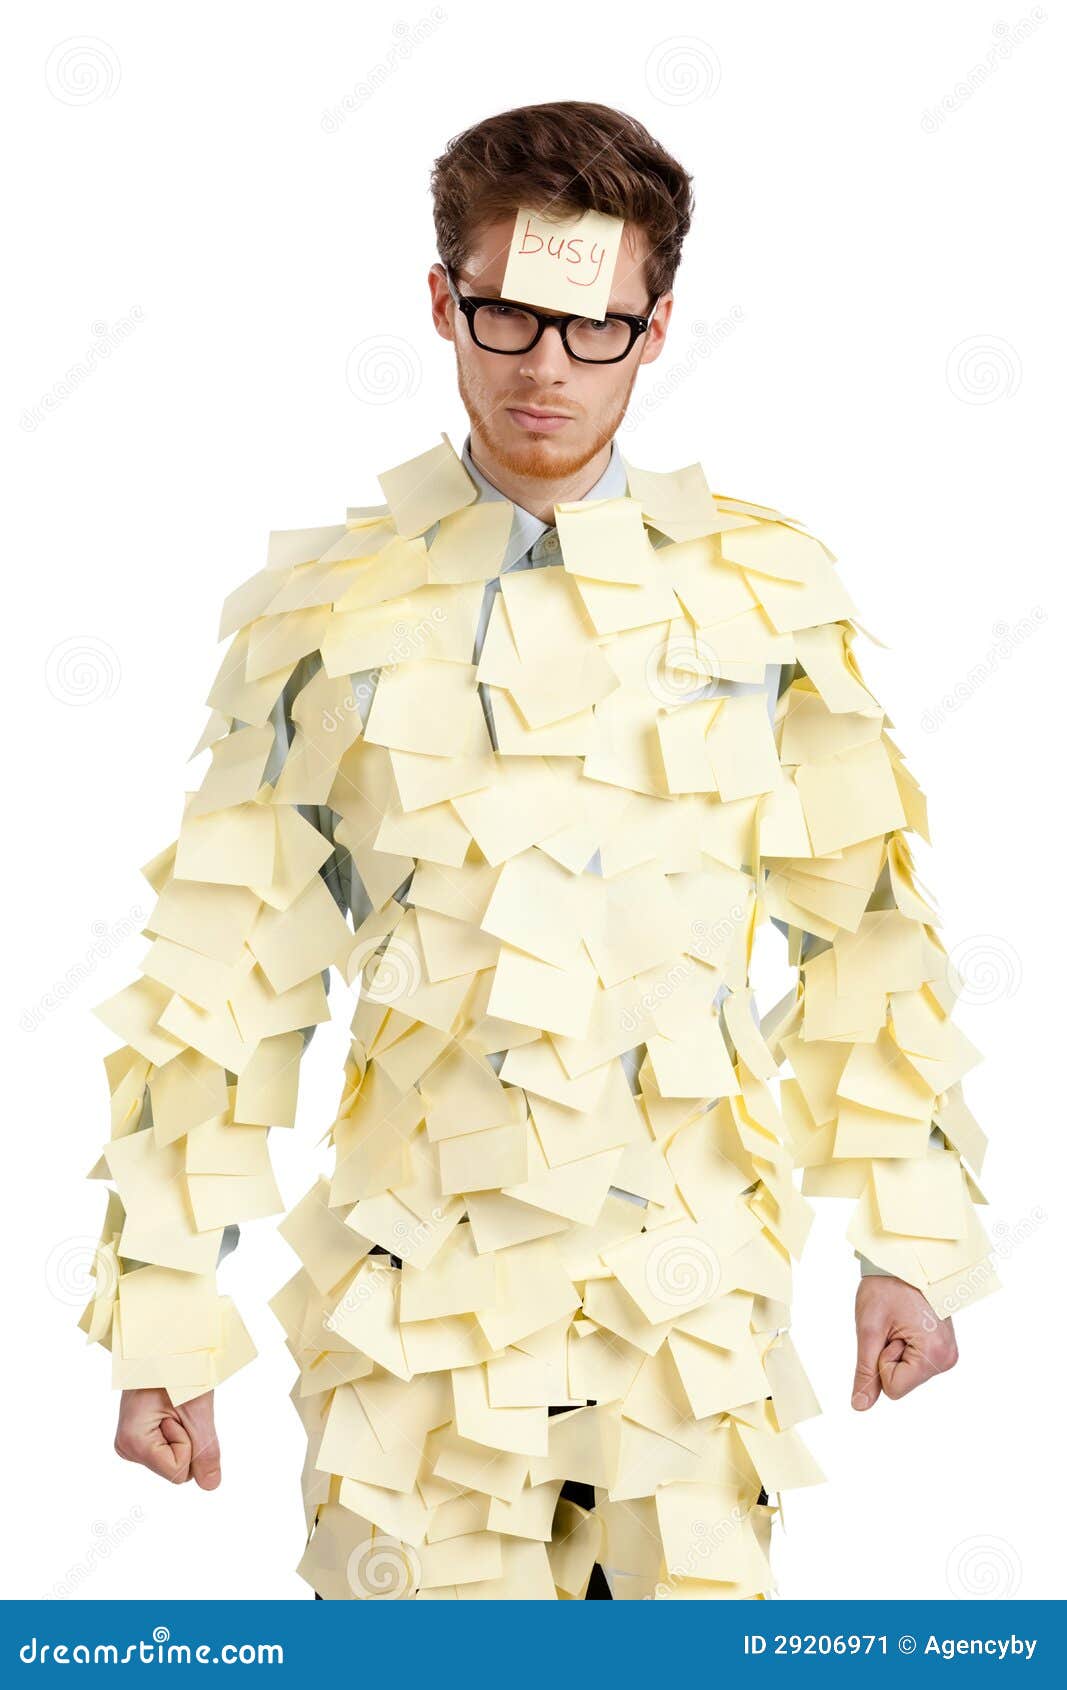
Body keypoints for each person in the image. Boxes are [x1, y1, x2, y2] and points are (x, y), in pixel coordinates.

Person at [85, 101, 994, 1601]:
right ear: (443, 302)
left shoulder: (766, 595)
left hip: (687, 1316)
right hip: (414, 1314)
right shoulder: (323, 612)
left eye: (594, 327)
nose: (545, 371)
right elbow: (226, 976)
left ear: (657, 328)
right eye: (508, 314)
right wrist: (166, 1317)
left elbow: (866, 937)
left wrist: (910, 1239)